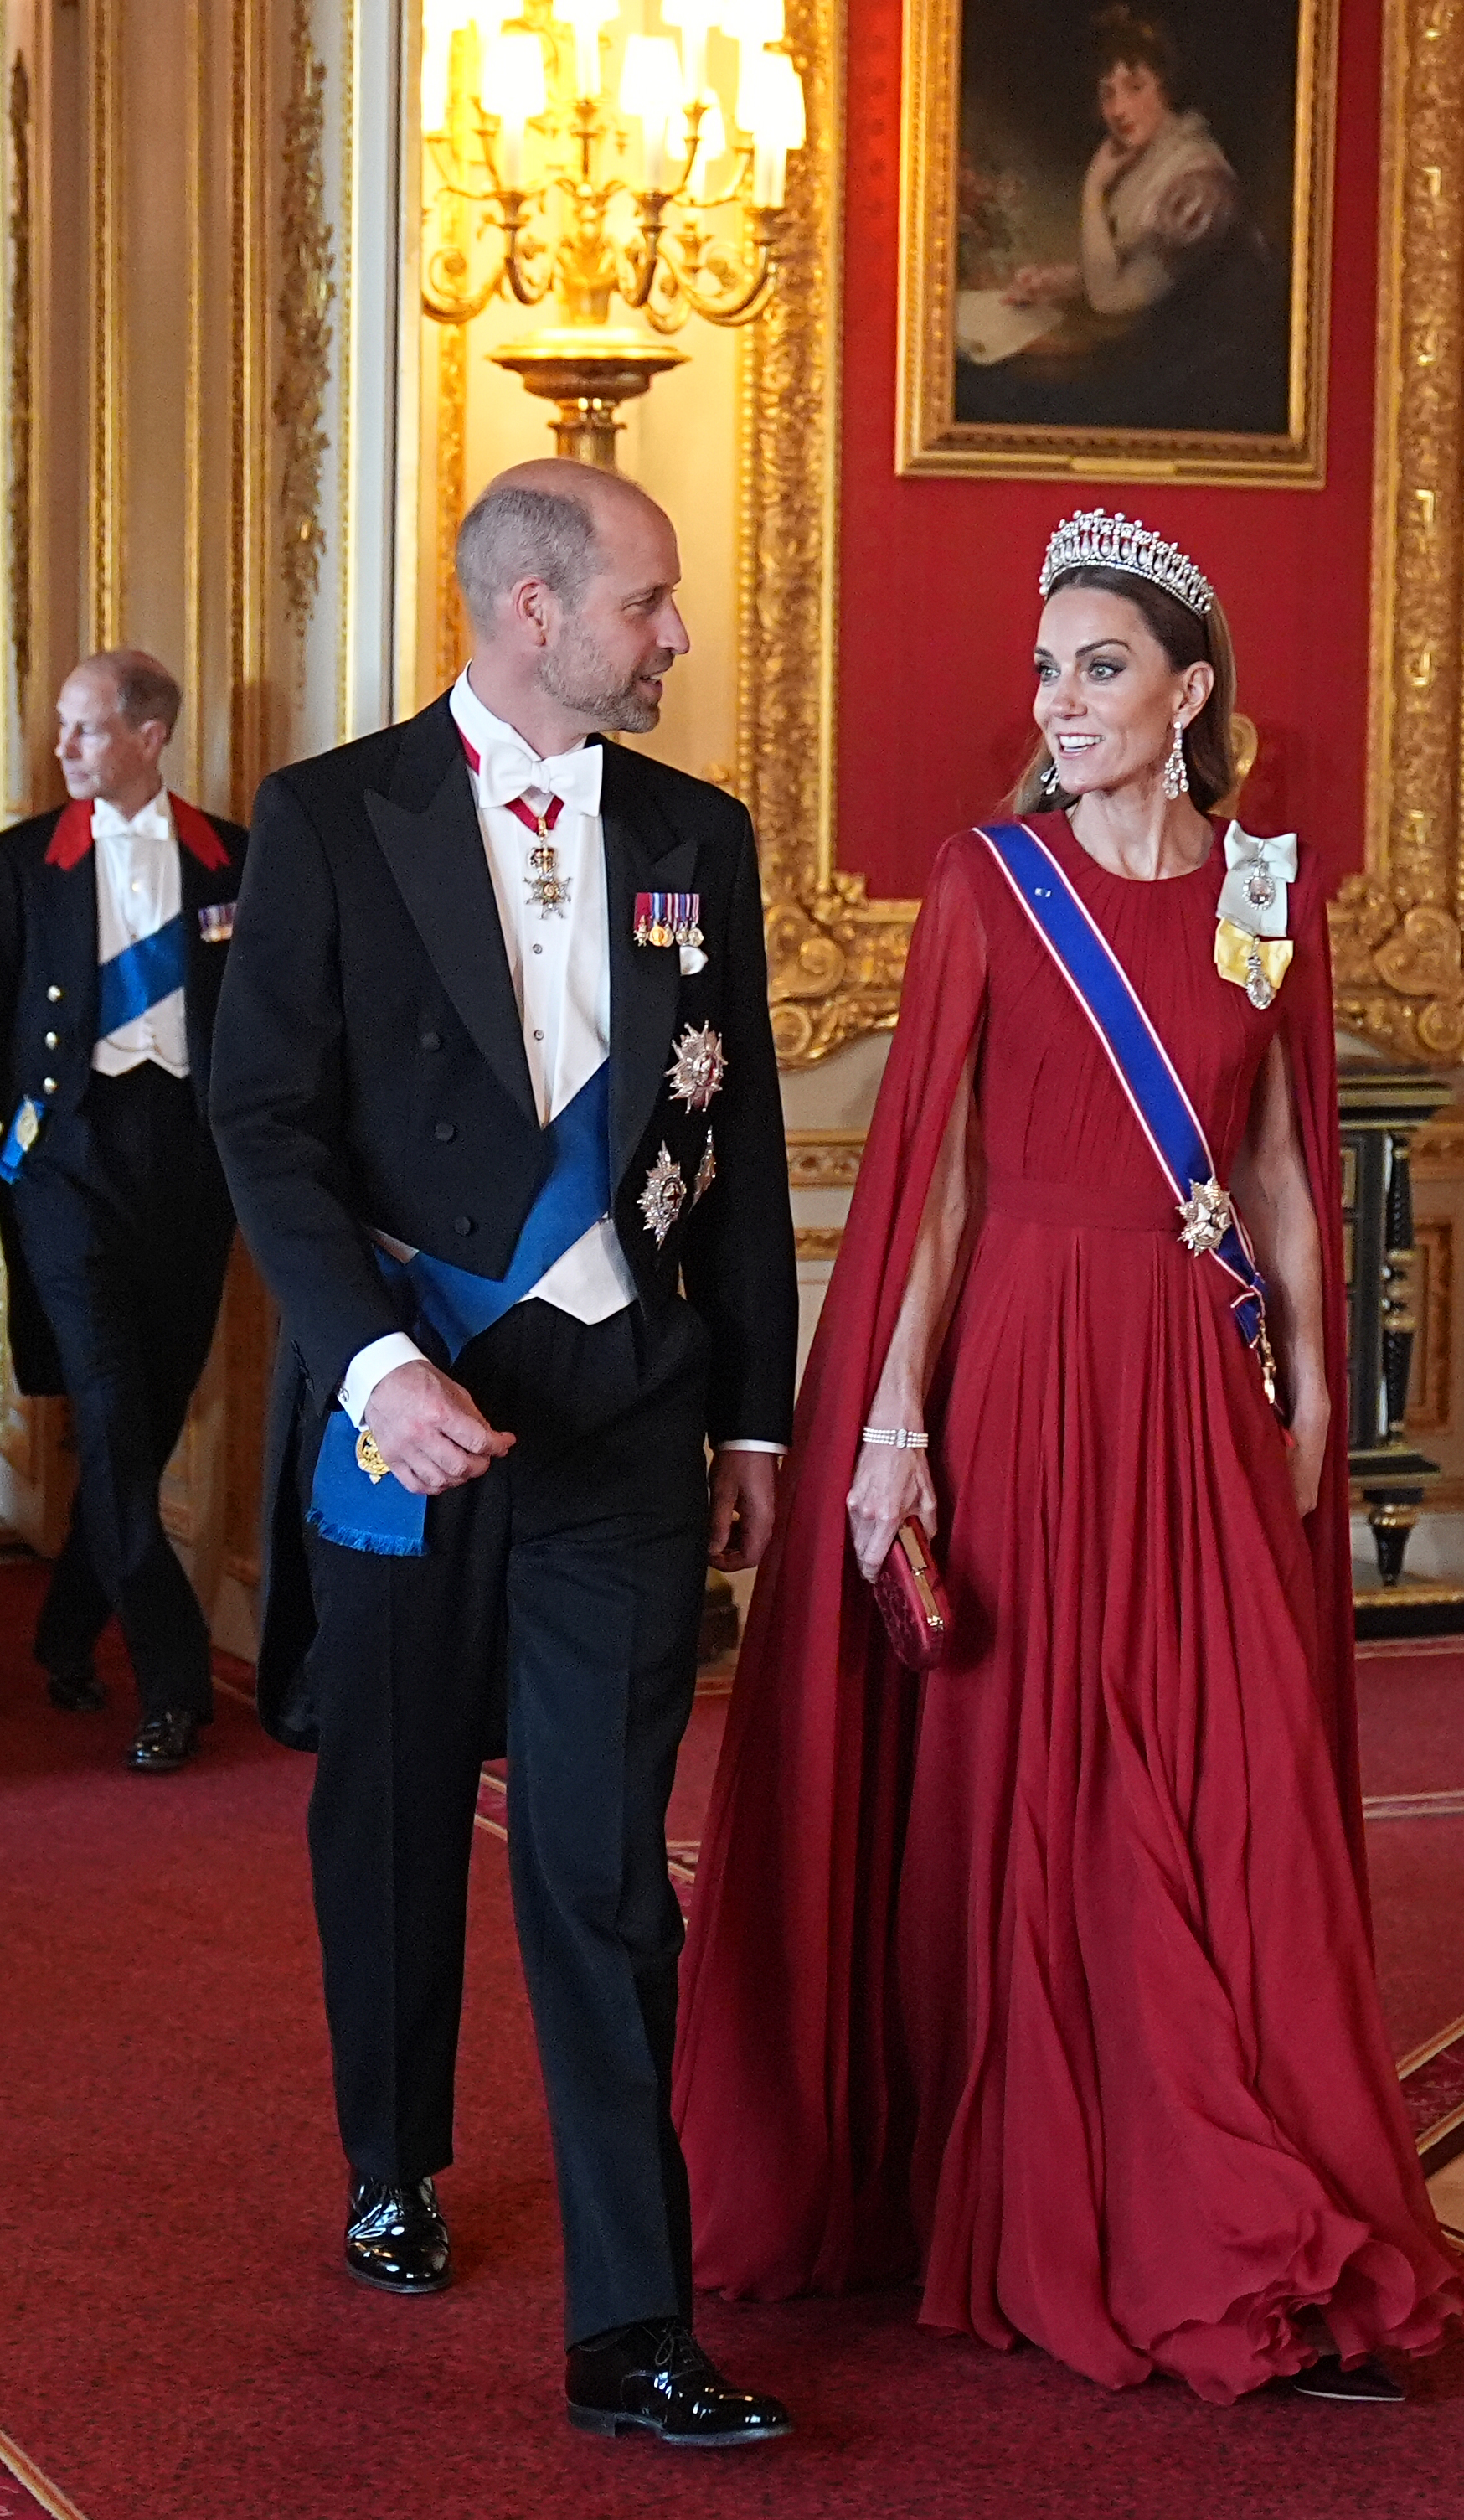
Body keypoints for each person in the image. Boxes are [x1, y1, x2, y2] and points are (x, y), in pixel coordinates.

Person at [673, 510, 1464, 2405]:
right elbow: (940, 1165)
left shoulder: (1265, 890)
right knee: (1065, 1790)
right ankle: (1130, 2219)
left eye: (1099, 665)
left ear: (1188, 691)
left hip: (1193, 1378)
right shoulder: (989, 882)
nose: (1059, 699)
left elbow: (1279, 1157)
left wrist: (1305, 1392)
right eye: (1044, 668)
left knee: (1234, 1790)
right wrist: (889, 1421)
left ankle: (1258, 2186)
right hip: (1023, 1369)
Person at [209, 460, 797, 2449]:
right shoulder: (328, 817)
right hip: (406, 1420)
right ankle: (394, 2155)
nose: (676, 636)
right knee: (383, 1816)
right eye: (649, 602)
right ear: (533, 611)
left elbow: (741, 1157)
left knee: (602, 1868)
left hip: (621, 1426)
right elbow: (264, 1121)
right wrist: (371, 1363)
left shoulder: (691, 833)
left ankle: (632, 2316)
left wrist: (749, 1415)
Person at [0, 651, 245, 1772]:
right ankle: (175, 1685)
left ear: (150, 736)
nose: (64, 749)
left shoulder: (235, 861)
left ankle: (63, 1628)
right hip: (68, 1165)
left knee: (138, 1425)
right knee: (106, 1407)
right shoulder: (21, 866)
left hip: (189, 1169)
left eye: (86, 730)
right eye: (64, 728)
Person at [961, 7, 1286, 435]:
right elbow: (1128, 263)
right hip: (1159, 352)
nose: (1118, 108)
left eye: (1135, 87)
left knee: (1022, 398)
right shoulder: (1151, 158)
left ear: (1167, 90)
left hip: (1207, 379)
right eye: (1107, 92)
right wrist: (1058, 281)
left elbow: (1111, 299)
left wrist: (1093, 189)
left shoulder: (1199, 187)